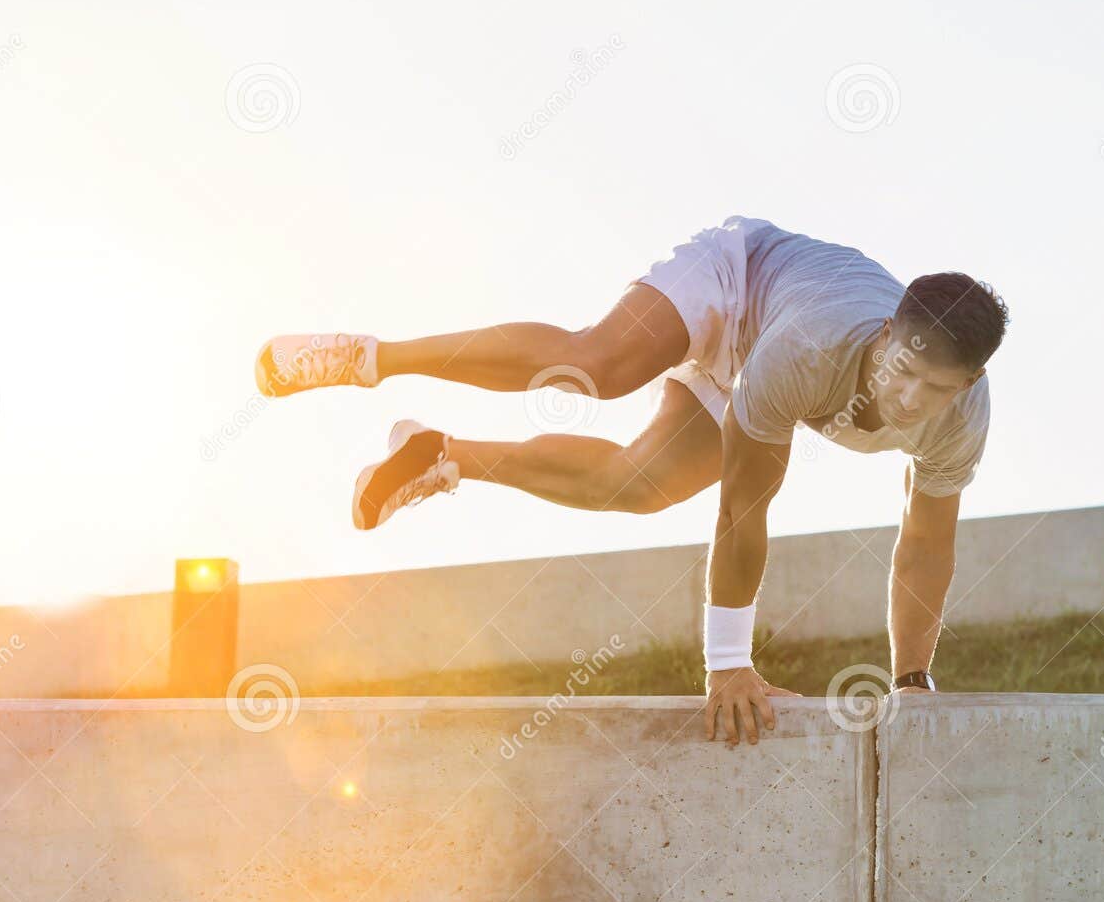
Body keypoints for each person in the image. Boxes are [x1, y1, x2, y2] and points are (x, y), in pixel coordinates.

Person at [255, 216, 1008, 745]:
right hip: (742, 278)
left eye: (935, 388)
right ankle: (368, 357)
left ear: (968, 382)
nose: (909, 399)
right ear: (885, 337)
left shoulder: (959, 421)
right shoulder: (809, 353)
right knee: (597, 367)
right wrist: (729, 664)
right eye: (901, 371)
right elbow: (744, 509)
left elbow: (925, 546)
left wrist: (913, 680)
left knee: (636, 484)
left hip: (767, 349)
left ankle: (438, 454)